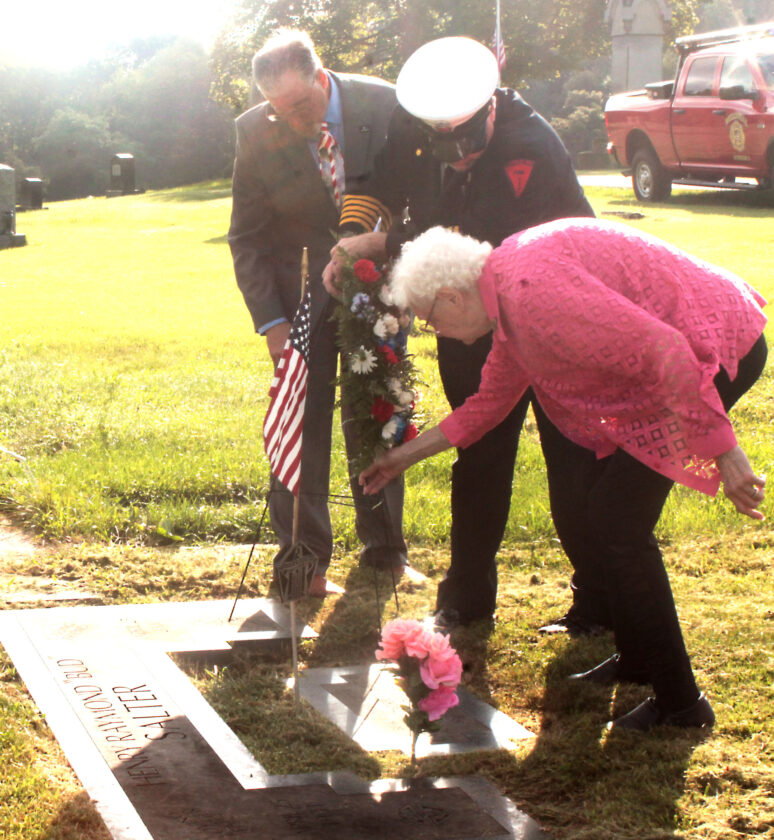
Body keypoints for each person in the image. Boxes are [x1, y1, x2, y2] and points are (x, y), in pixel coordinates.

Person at [359, 220, 767, 731]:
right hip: (685, 349)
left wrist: (726, 452)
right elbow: (489, 403)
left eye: (429, 319)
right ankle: (639, 659)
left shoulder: (531, 296)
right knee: (601, 507)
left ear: (453, 297)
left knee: (618, 520)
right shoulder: (507, 297)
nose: (434, 331)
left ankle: (682, 706)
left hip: (715, 345)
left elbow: (666, 350)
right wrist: (403, 457)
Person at [323, 36, 604, 634]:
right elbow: (377, 182)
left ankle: (599, 601)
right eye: (443, 150)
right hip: (468, 316)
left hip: (553, 316)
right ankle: (466, 598)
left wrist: (381, 243)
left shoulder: (528, 145)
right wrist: (350, 239)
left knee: (572, 459)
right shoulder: (414, 120)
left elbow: (476, 240)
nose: (457, 162)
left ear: (489, 109)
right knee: (479, 456)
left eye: (468, 148)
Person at [228, 30, 407, 597]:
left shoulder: (385, 103)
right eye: (279, 109)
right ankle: (302, 566)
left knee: (378, 417)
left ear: (320, 76)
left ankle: (385, 553)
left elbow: (418, 195)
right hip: (298, 300)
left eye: (301, 104)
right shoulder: (255, 129)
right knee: (301, 430)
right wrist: (271, 322)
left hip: (377, 292)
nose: (292, 119)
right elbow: (247, 236)